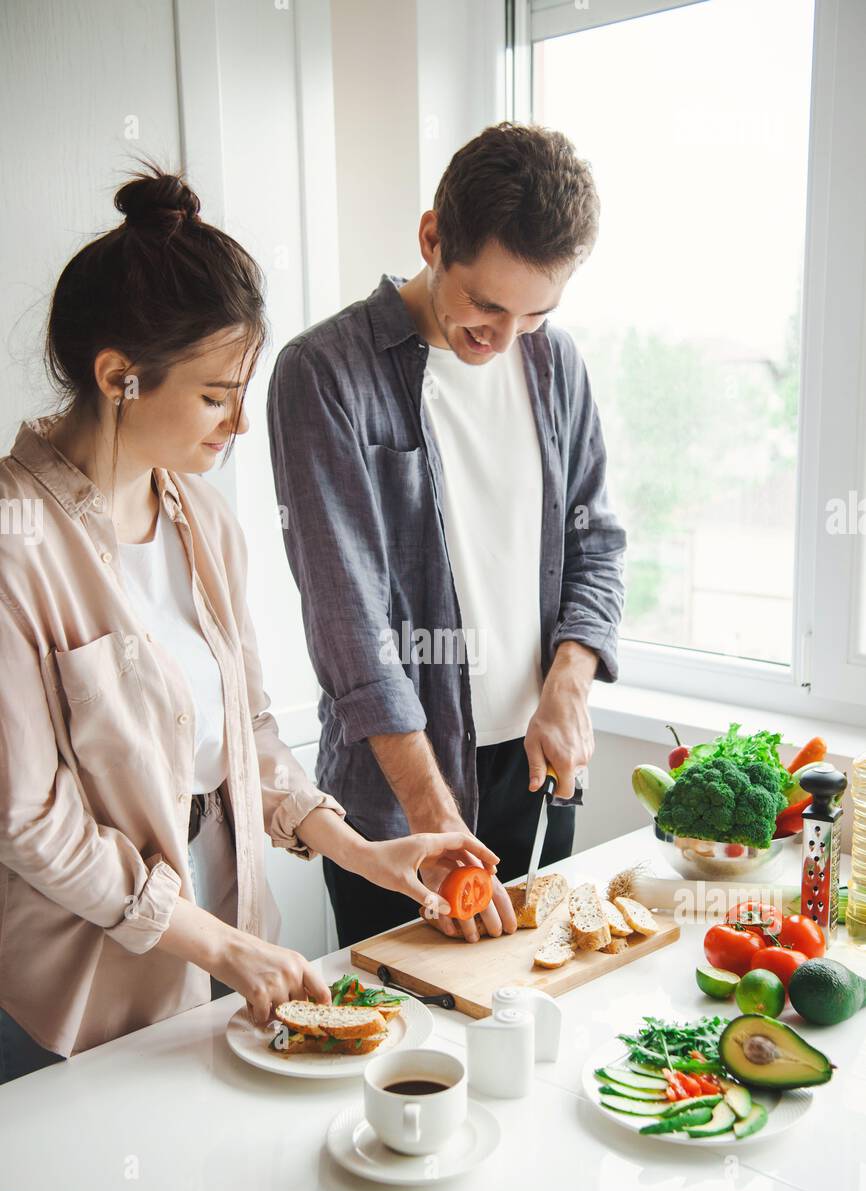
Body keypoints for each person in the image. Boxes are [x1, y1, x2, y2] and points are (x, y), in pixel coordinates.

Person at [0, 165, 496, 1085]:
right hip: (76, 985)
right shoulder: (15, 545)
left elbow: (250, 731)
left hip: (223, 946)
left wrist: (359, 849)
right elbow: (31, 824)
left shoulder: (203, 518)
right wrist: (216, 947)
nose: (238, 423)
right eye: (215, 395)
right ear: (119, 376)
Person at [268, 123, 626, 949]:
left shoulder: (555, 362)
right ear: (433, 238)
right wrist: (436, 823)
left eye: (536, 312)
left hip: (534, 774)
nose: (503, 338)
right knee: (406, 1048)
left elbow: (597, 540)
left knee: (529, 1022)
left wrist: (570, 682)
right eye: (486, 303)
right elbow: (349, 624)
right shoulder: (323, 373)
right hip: (402, 801)